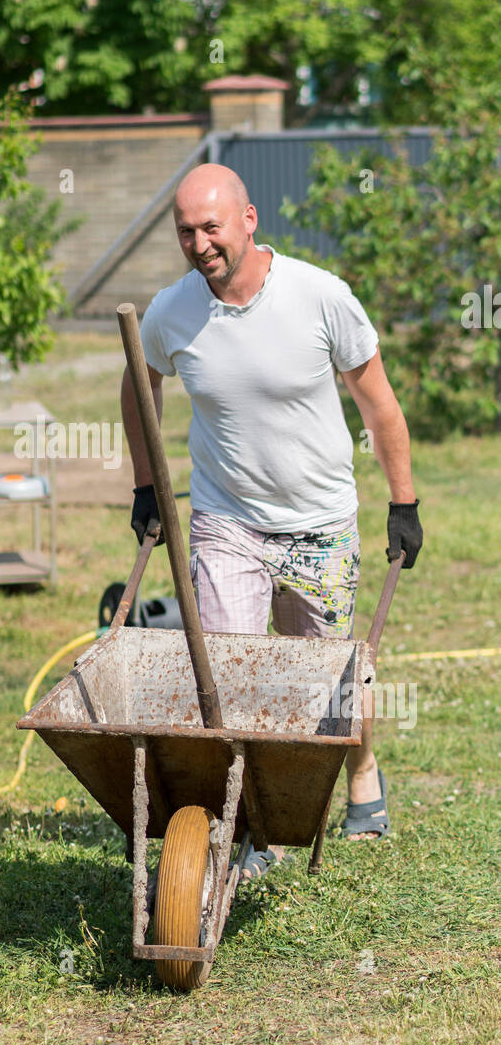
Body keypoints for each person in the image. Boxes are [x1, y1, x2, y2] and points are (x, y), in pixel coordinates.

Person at [121, 163, 422, 875]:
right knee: (229, 673)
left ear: (249, 220)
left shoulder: (321, 297)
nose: (199, 245)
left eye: (211, 228)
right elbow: (139, 385)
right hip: (229, 521)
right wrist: (145, 484)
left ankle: (360, 772)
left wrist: (402, 500)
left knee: (326, 680)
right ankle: (246, 820)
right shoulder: (172, 311)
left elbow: (377, 402)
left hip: (321, 523)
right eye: (186, 232)